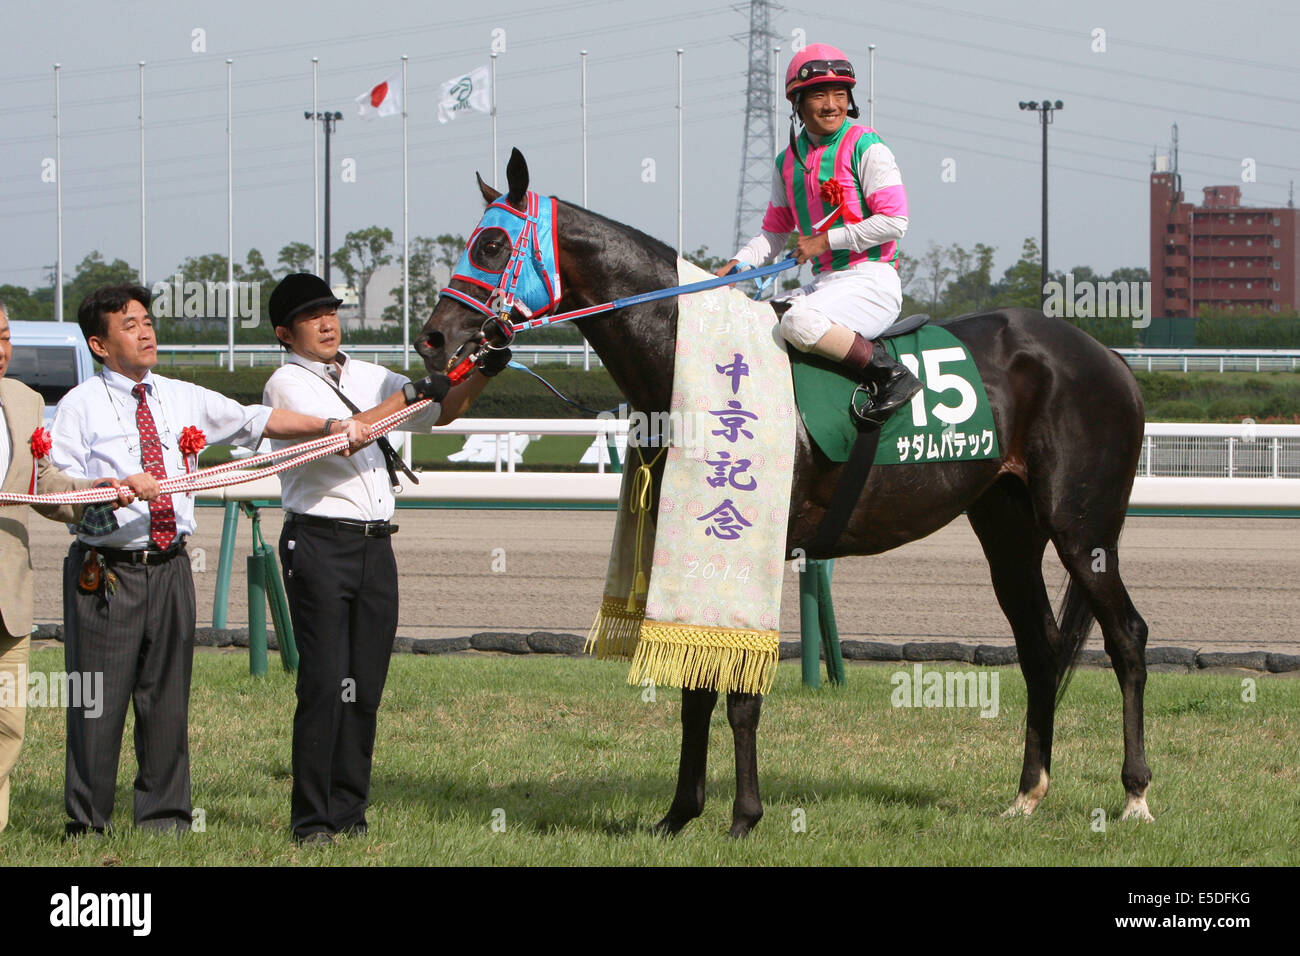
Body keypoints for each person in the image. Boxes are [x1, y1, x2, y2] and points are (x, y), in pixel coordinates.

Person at [49, 283, 370, 838]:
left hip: (172, 568)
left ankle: (165, 822)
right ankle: (86, 827)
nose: (146, 332)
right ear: (100, 345)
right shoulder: (78, 406)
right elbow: (52, 488)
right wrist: (108, 488)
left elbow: (258, 420)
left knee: (167, 705)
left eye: (147, 321)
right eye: (130, 325)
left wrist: (330, 426)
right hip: (106, 575)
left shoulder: (178, 395)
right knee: (97, 708)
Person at [262, 273, 508, 844]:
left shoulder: (371, 374)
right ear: (285, 333)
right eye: (311, 317)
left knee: (364, 687)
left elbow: (441, 409)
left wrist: (482, 370)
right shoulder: (285, 383)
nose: (327, 323)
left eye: (330, 311)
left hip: (376, 545)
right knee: (324, 684)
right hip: (319, 543)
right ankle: (312, 822)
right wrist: (411, 394)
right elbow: (344, 436)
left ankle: (349, 815)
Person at [719, 42, 922, 424]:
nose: (831, 105)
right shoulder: (787, 161)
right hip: (828, 284)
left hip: (873, 281)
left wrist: (824, 241)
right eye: (819, 95)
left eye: (840, 95)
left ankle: (892, 375)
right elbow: (774, 233)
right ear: (797, 103)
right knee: (754, 320)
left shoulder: (867, 146)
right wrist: (737, 264)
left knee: (797, 322)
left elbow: (895, 222)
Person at [0, 301, 142, 833]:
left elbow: (44, 486)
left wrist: (101, 493)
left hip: (8, 599)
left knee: (8, 724)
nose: (2, 350)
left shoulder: (24, 400)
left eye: (5, 336)